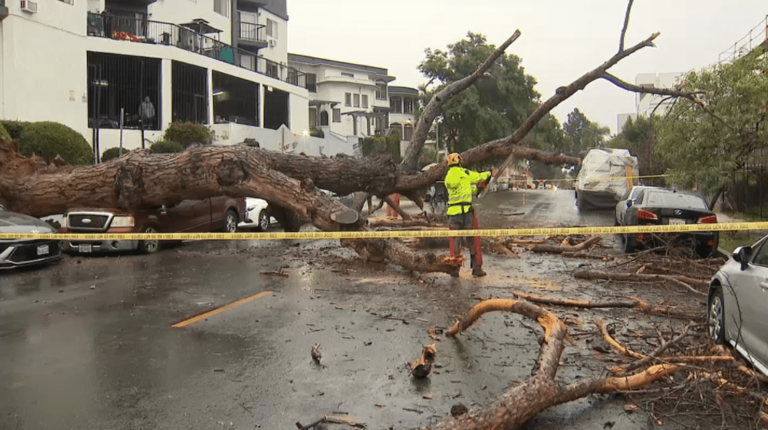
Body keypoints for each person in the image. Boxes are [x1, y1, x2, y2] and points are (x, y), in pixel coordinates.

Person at [444, 153, 491, 277]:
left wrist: (477, 189)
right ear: (460, 162)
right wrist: (488, 174)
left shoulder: (448, 177)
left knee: (455, 243)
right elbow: (478, 177)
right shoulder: (464, 173)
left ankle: (454, 269)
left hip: (453, 214)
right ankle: (477, 268)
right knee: (473, 241)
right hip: (466, 213)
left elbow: (466, 190)